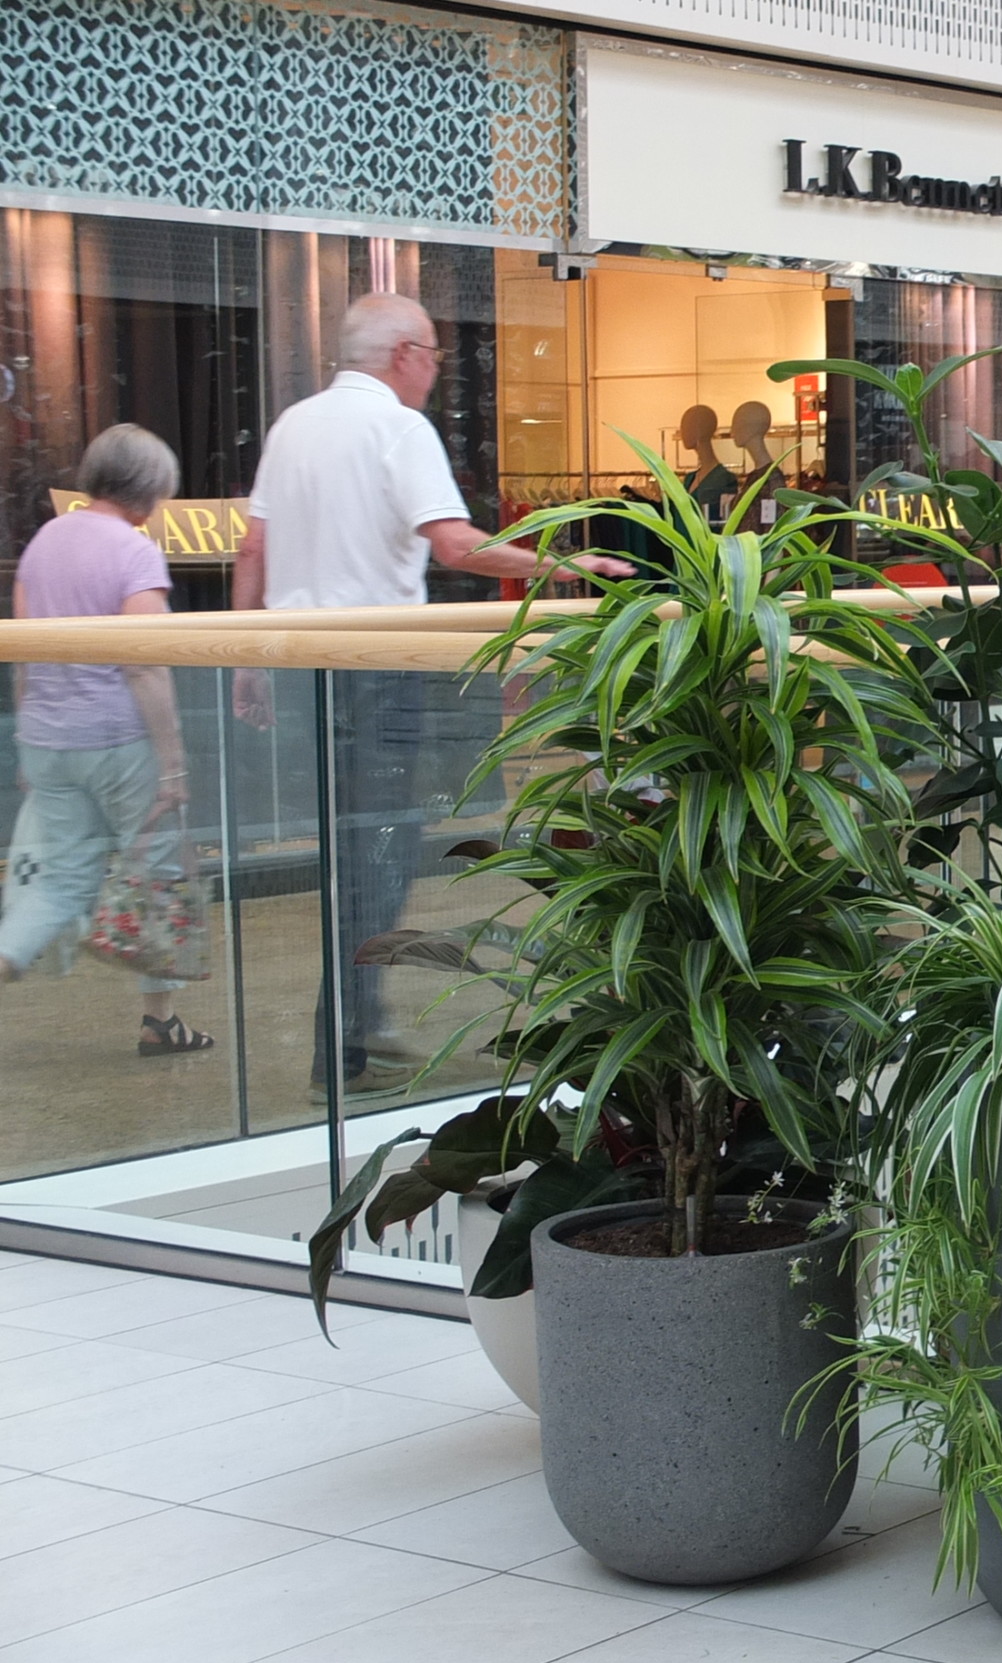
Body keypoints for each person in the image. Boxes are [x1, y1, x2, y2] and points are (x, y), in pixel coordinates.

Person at [231, 291, 632, 1102]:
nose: (436, 374)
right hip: (378, 668)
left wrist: (244, 660)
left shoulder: (294, 425)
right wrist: (563, 568)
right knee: (377, 856)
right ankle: (342, 1049)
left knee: (352, 854)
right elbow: (453, 543)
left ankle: (356, 1029)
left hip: (302, 665)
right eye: (436, 357)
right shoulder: (398, 428)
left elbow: (257, 546)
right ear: (406, 353)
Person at [0, 426, 217, 1056]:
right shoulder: (133, 550)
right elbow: (144, 662)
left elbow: (22, 657)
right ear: (152, 489)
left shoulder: (43, 542)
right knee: (157, 875)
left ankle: (8, 951)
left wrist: (24, 748)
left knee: (62, 878)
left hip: (47, 737)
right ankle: (160, 1021)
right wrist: (173, 764)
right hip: (120, 740)